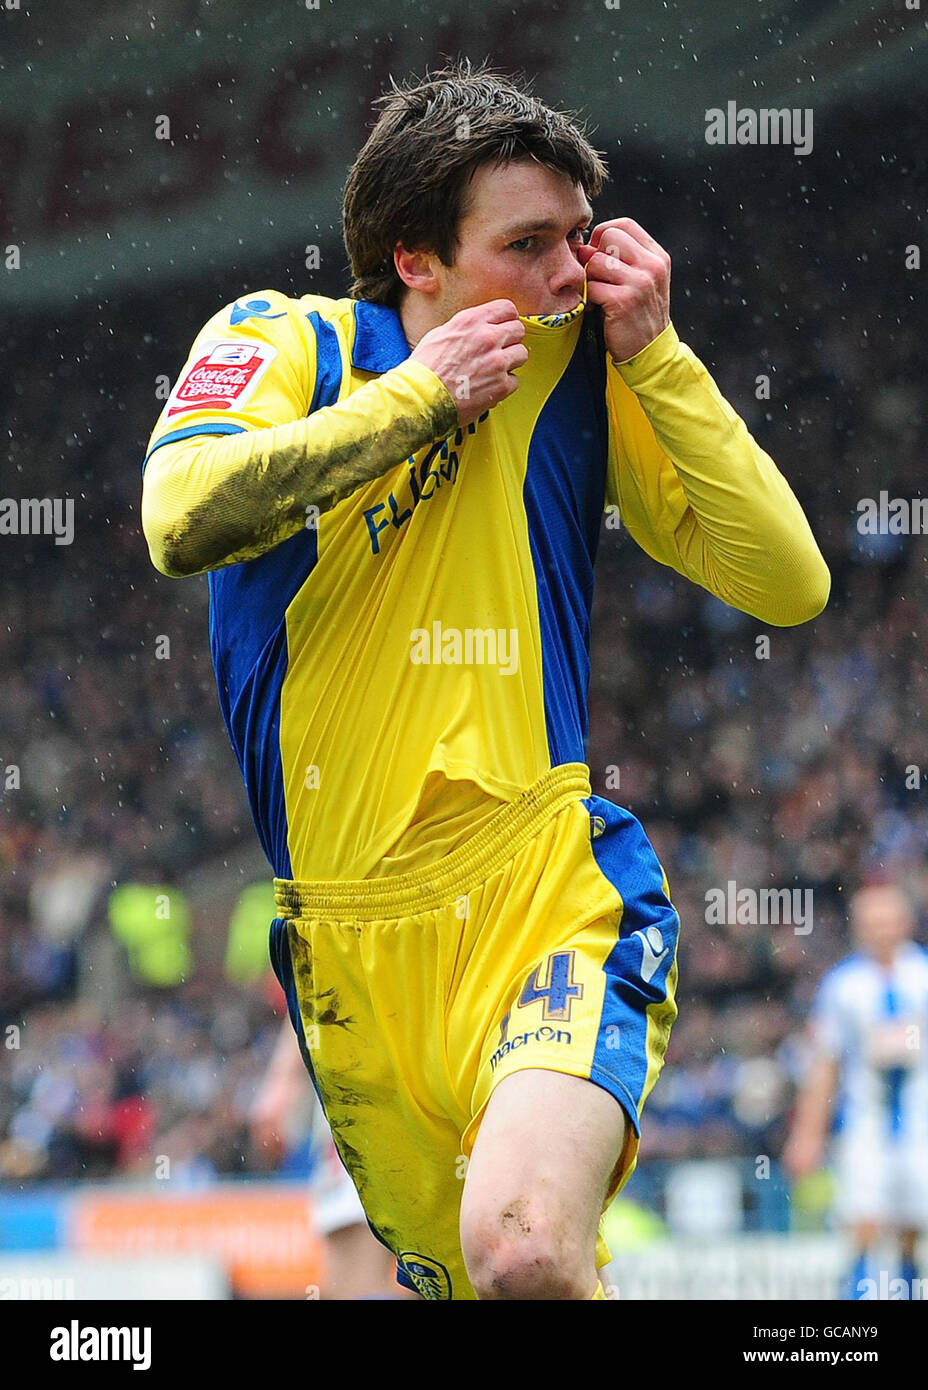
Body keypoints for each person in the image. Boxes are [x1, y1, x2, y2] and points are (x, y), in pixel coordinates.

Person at [141, 59, 829, 1299]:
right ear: (417, 259)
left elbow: (788, 583)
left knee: (518, 1243)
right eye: (529, 243)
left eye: (579, 236)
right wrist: (417, 400)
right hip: (350, 943)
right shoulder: (279, 340)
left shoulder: (582, 373)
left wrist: (659, 356)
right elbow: (178, 517)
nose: (572, 273)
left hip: (541, 879)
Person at [783, 883, 928, 1300]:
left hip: (919, 1124)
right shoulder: (843, 986)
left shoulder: (921, 978)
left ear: (905, 923)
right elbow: (824, 1064)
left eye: (887, 921)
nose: (880, 930)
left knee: (912, 1227)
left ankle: (908, 1289)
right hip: (866, 1123)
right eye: (871, 923)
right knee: (863, 1221)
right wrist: (808, 1135)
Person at [250, 1018, 418, 1299]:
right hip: (451, 1068)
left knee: (352, 1279)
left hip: (365, 1082)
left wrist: (284, 1077)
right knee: (439, 1273)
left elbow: (318, 977)